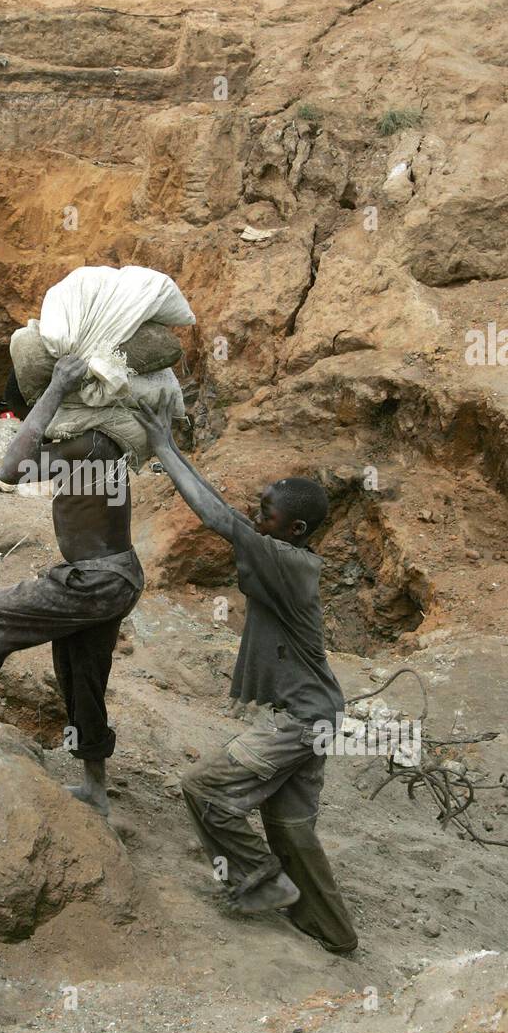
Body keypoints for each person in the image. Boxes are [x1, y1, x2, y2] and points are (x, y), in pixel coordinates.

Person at [132, 393, 357, 953]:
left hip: (300, 719)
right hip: (318, 712)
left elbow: (217, 518)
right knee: (291, 827)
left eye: (267, 514)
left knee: (204, 788)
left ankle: (260, 881)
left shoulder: (287, 562)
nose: (257, 518)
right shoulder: (286, 553)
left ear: (296, 527)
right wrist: (172, 449)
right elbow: (228, 513)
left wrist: (162, 447)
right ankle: (333, 933)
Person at [0, 359, 143, 823]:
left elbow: (9, 469)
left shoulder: (90, 444)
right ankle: (95, 789)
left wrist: (55, 388)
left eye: (27, 415)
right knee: (81, 673)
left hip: (94, 580)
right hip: (112, 576)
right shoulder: (102, 442)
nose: (30, 424)